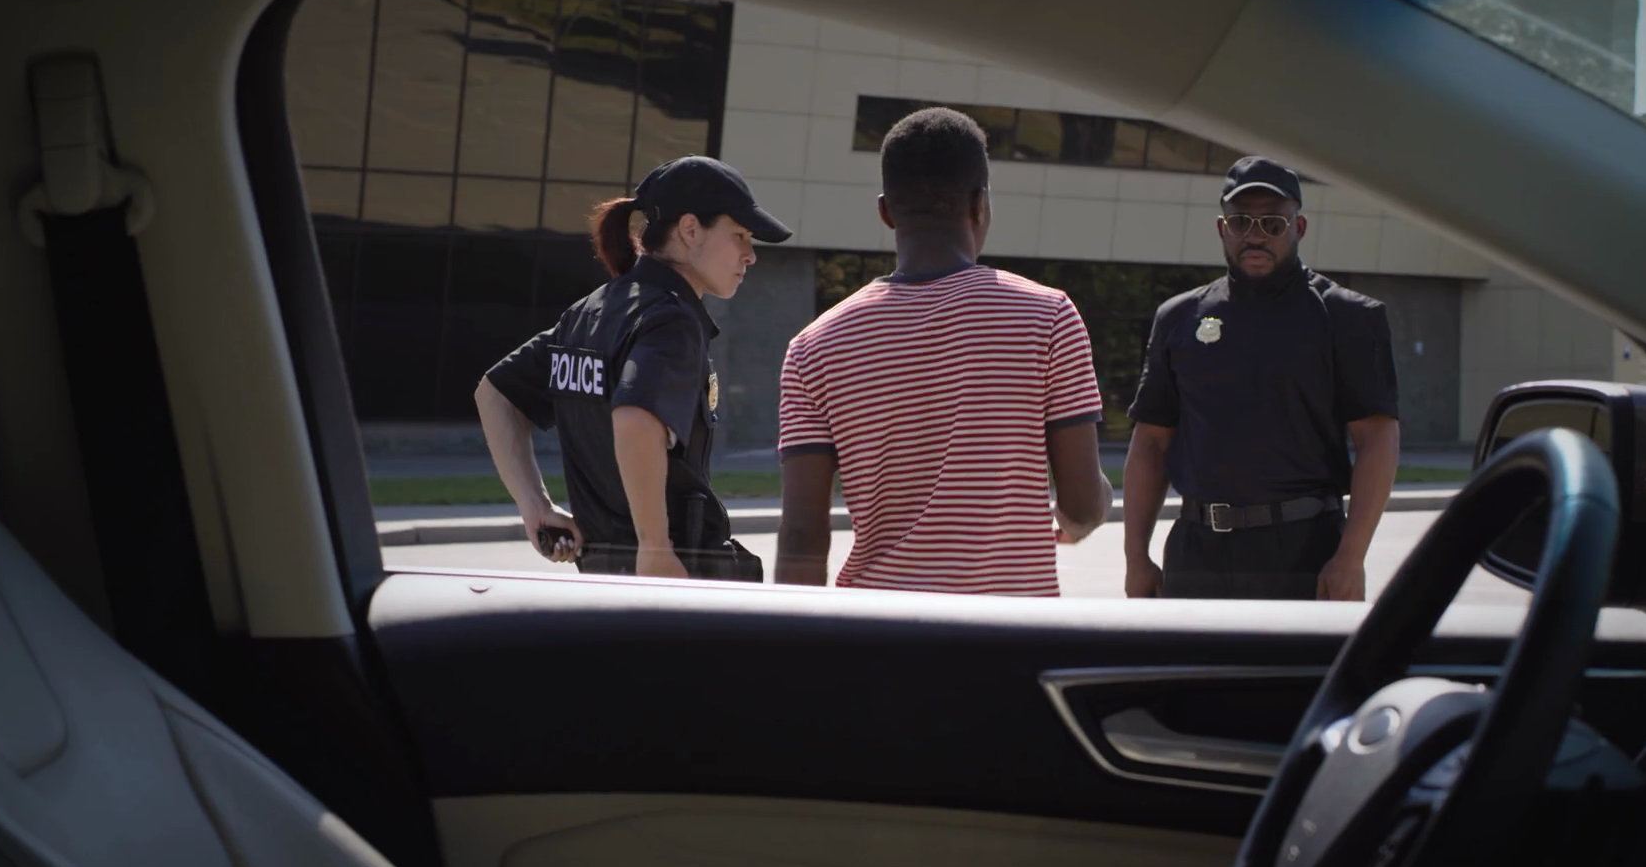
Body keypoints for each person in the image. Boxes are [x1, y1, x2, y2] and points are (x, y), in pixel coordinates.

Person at [774, 107, 1112, 595]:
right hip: (1007, 639)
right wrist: (1086, 510)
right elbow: (1081, 505)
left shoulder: (814, 346)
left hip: (880, 639)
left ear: (885, 211)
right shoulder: (1048, 316)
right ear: (980, 204)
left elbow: (802, 536)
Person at [474, 156, 791, 580]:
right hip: (668, 575)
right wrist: (656, 549)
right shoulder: (671, 319)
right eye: (739, 236)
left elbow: (495, 394)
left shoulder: (589, 311)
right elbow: (636, 418)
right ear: (690, 229)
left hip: (606, 574)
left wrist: (536, 508)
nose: (750, 255)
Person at [1123, 156, 1400, 601]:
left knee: (1295, 675)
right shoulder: (1178, 318)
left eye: (1273, 223)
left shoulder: (1347, 317)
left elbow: (1378, 439)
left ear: (1299, 227)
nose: (1255, 234)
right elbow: (1151, 441)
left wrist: (1351, 556)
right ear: (1221, 228)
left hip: (1304, 551)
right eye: (1240, 221)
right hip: (1197, 553)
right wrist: (1136, 558)